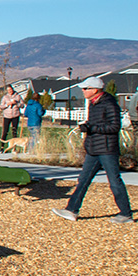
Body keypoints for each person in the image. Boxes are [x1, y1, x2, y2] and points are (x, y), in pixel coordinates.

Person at [52, 76, 133, 224]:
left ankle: (126, 214)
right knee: (83, 179)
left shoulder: (109, 104)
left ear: (95, 90)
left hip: (107, 149)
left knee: (114, 181)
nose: (83, 91)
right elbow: (96, 123)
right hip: (94, 148)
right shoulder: (94, 104)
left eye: (85, 88)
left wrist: (92, 128)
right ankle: (71, 210)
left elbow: (115, 126)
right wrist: (87, 127)